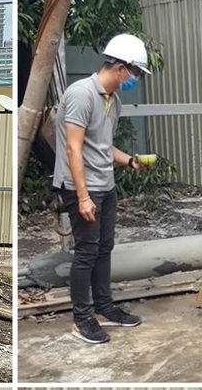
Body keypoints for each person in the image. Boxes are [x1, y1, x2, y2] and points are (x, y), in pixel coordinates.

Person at [52, 34, 150, 345]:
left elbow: (103, 147)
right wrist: (82, 196)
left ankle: (105, 307)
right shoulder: (82, 95)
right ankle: (82, 320)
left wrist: (129, 160)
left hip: (105, 186)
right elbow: (73, 148)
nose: (134, 79)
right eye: (134, 73)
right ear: (121, 67)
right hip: (82, 188)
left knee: (104, 249)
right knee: (86, 253)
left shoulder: (114, 100)